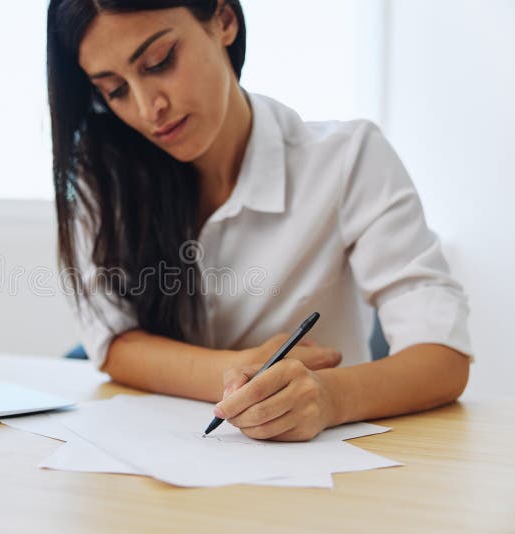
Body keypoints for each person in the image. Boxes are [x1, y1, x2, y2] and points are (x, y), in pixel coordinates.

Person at [46, 0, 472, 441]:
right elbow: (113, 344)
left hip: (316, 462)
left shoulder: (348, 158)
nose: (148, 107)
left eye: (160, 61)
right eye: (115, 90)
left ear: (224, 20)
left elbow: (443, 357)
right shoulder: (103, 179)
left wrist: (330, 397)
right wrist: (239, 371)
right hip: (160, 453)